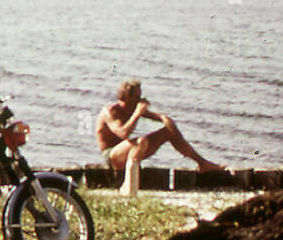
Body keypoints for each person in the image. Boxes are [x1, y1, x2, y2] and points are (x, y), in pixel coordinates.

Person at [96, 79, 226, 196]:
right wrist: (137, 113)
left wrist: (167, 121)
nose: (141, 100)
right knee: (140, 141)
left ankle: (202, 163)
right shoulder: (111, 112)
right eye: (137, 97)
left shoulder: (132, 107)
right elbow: (123, 133)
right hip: (113, 156)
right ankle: (128, 185)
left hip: (128, 152)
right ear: (127, 97)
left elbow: (160, 118)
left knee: (166, 132)